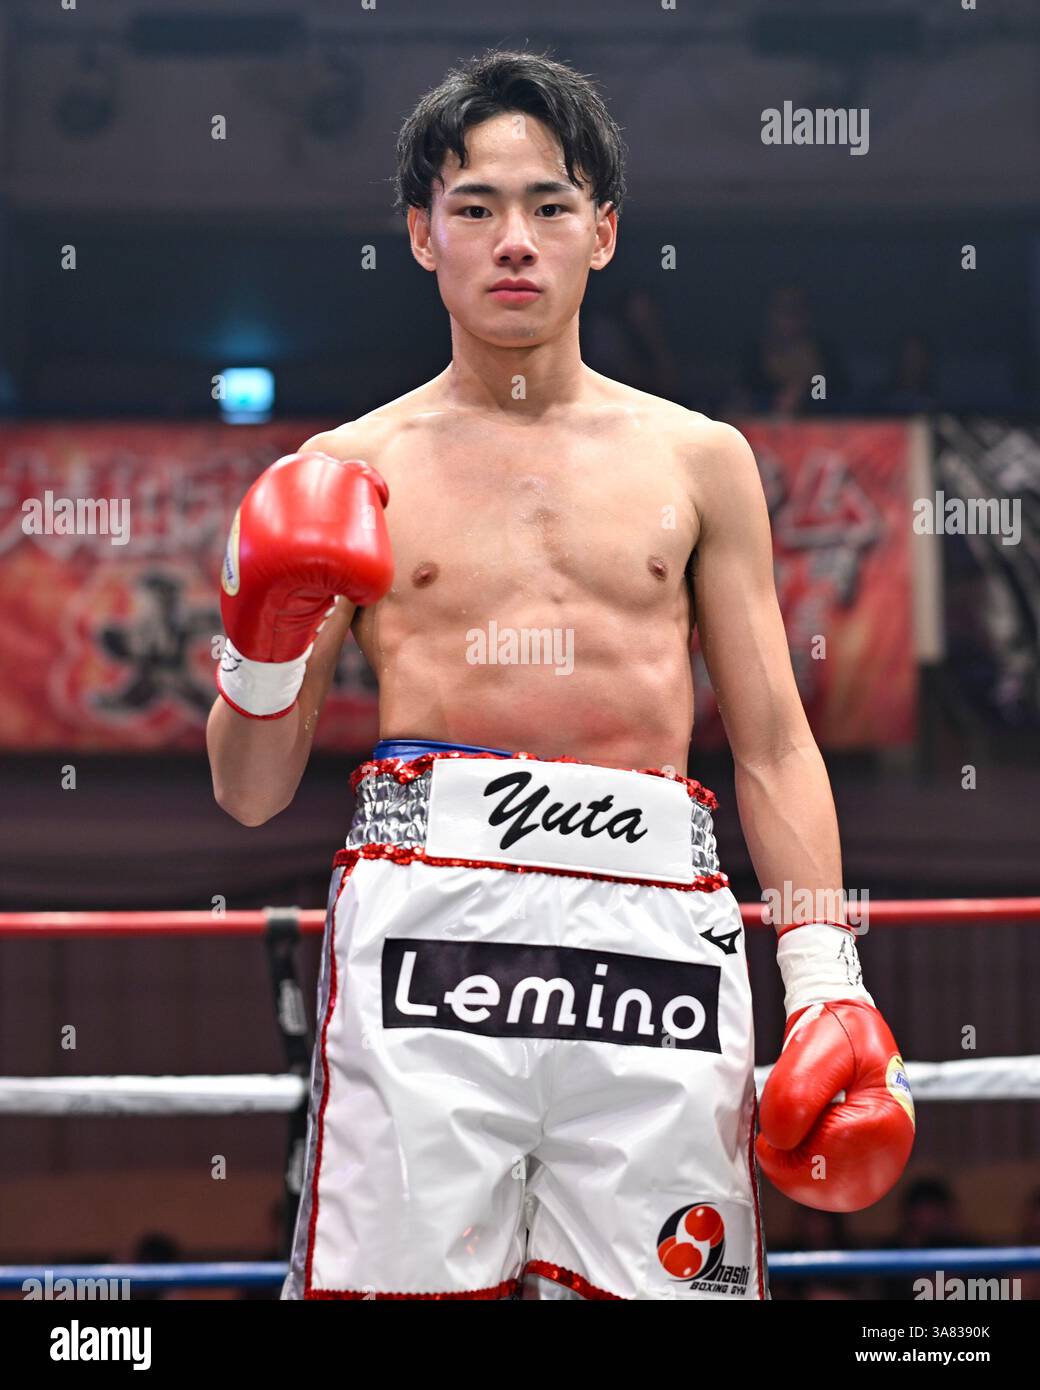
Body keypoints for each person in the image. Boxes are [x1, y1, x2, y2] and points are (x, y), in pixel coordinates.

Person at [206, 48, 914, 1301]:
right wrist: (262, 645)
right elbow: (252, 792)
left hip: (655, 936)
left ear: (604, 230)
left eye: (548, 203)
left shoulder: (699, 460)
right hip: (429, 931)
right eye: (474, 207)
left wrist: (822, 981)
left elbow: (770, 741)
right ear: (422, 237)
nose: (513, 239)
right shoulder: (350, 465)